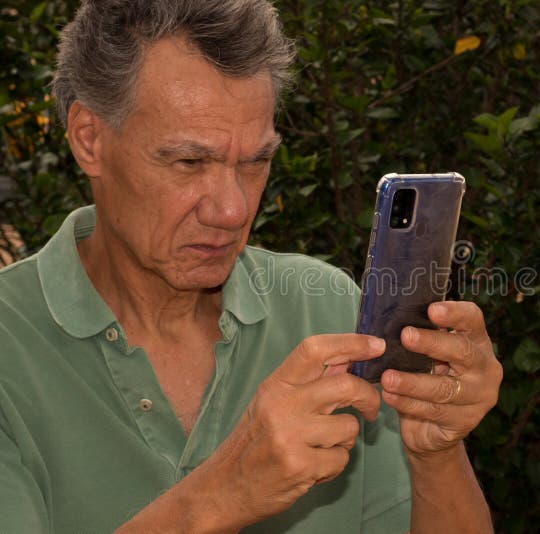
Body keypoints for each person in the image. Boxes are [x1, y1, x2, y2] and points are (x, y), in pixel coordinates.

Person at [0, 0, 503, 532]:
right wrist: (223, 493)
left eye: (256, 161)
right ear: (88, 138)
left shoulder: (327, 309)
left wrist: (436, 453)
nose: (233, 210)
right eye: (189, 162)